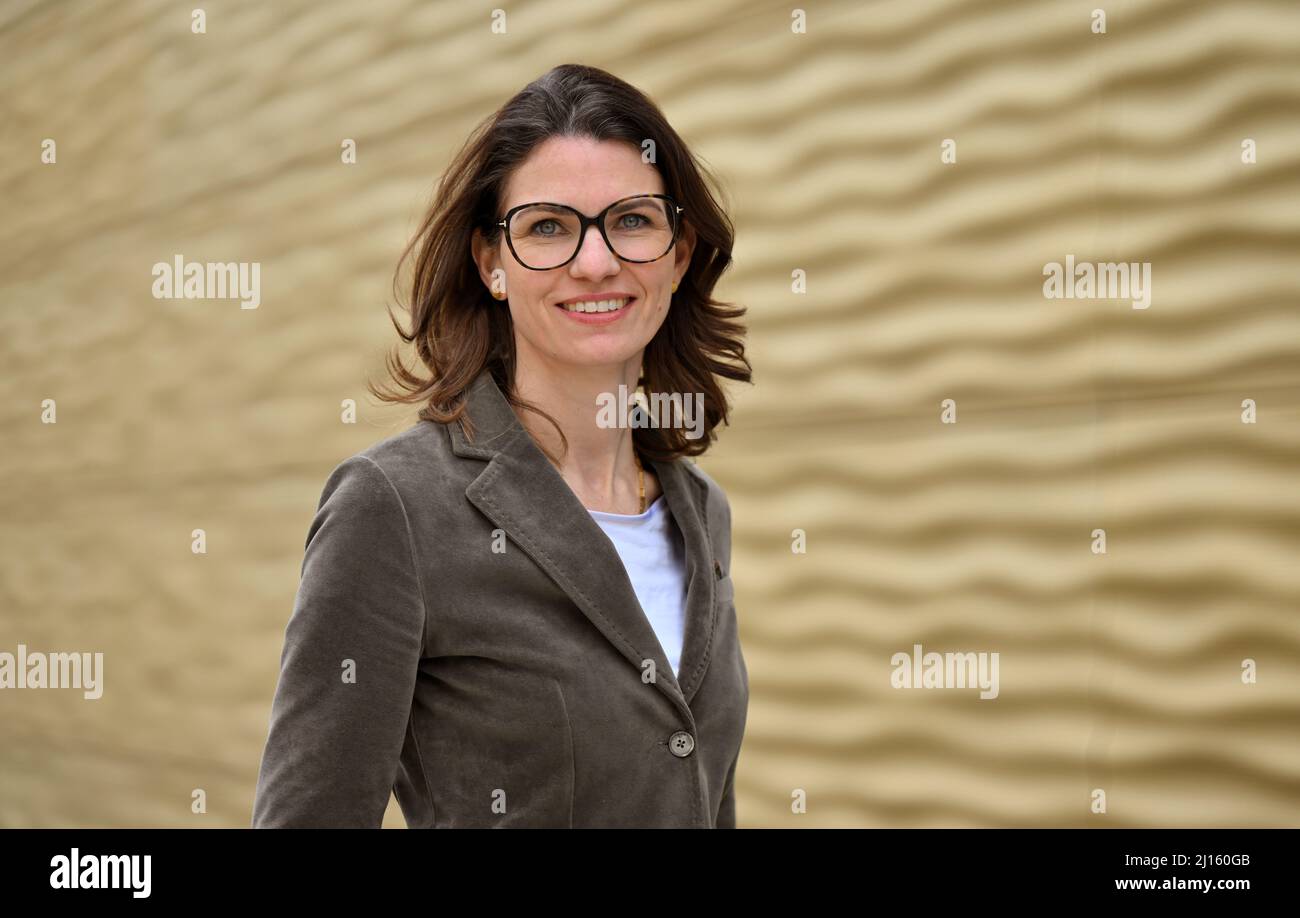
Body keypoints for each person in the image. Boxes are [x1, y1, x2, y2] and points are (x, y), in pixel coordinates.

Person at [251, 63, 752, 828]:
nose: (596, 261)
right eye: (548, 226)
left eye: (633, 220)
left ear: (679, 253)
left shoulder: (700, 511)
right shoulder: (396, 509)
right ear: (492, 263)